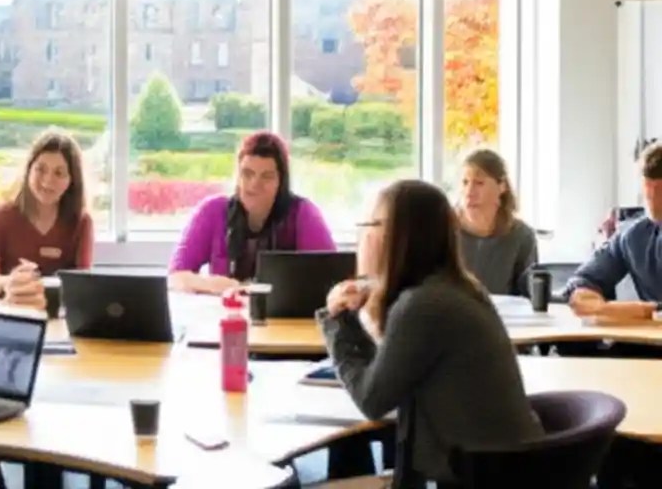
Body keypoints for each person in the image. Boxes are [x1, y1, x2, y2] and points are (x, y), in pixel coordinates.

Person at [318, 180, 541, 487]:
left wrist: (338, 320)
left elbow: (372, 400)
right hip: (500, 467)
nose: (363, 235)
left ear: (397, 236)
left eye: (369, 224)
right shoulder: (455, 288)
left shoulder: (423, 305)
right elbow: (396, 374)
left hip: (481, 472)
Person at [168, 131, 335, 295]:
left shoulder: (303, 214)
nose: (255, 184)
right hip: (226, 316)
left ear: (281, 182)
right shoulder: (213, 211)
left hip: (283, 319)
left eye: (267, 176)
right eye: (247, 174)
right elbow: (176, 276)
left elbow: (333, 280)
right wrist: (213, 284)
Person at [0, 130, 93, 308]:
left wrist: (39, 290)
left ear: (72, 181)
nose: (47, 181)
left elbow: (82, 288)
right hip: (7, 315)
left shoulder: (81, 222)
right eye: (40, 170)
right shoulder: (0, 217)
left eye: (59, 173)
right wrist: (9, 283)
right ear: (28, 170)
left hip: (56, 319)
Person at [564, 141, 662, 319]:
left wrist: (647, 310)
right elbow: (584, 280)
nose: (652, 196)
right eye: (649, 187)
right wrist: (586, 296)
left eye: (659, 189)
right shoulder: (634, 236)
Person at [456, 149, 539, 296]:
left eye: (479, 183)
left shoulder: (522, 237)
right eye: (465, 182)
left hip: (502, 317)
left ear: (502, 186)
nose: (469, 192)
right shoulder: (443, 230)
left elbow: (527, 298)